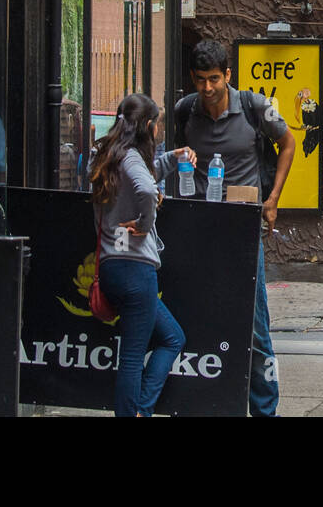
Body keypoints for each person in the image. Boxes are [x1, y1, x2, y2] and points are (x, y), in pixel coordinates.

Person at [174, 39, 297, 418]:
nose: (207, 88)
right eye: (200, 80)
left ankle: (264, 409)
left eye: (214, 79)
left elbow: (289, 142)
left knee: (256, 326)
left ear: (228, 75)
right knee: (197, 318)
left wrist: (273, 198)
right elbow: (175, 156)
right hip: (199, 228)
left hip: (243, 231)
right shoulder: (185, 111)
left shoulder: (254, 106)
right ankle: (205, 402)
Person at [91, 93, 196, 417]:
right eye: (159, 122)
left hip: (113, 267)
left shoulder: (105, 155)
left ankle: (140, 410)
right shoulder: (132, 158)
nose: (160, 128)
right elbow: (147, 189)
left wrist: (172, 158)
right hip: (137, 270)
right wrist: (144, 222)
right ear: (148, 125)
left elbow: (142, 176)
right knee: (133, 358)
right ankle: (135, 413)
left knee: (172, 337)